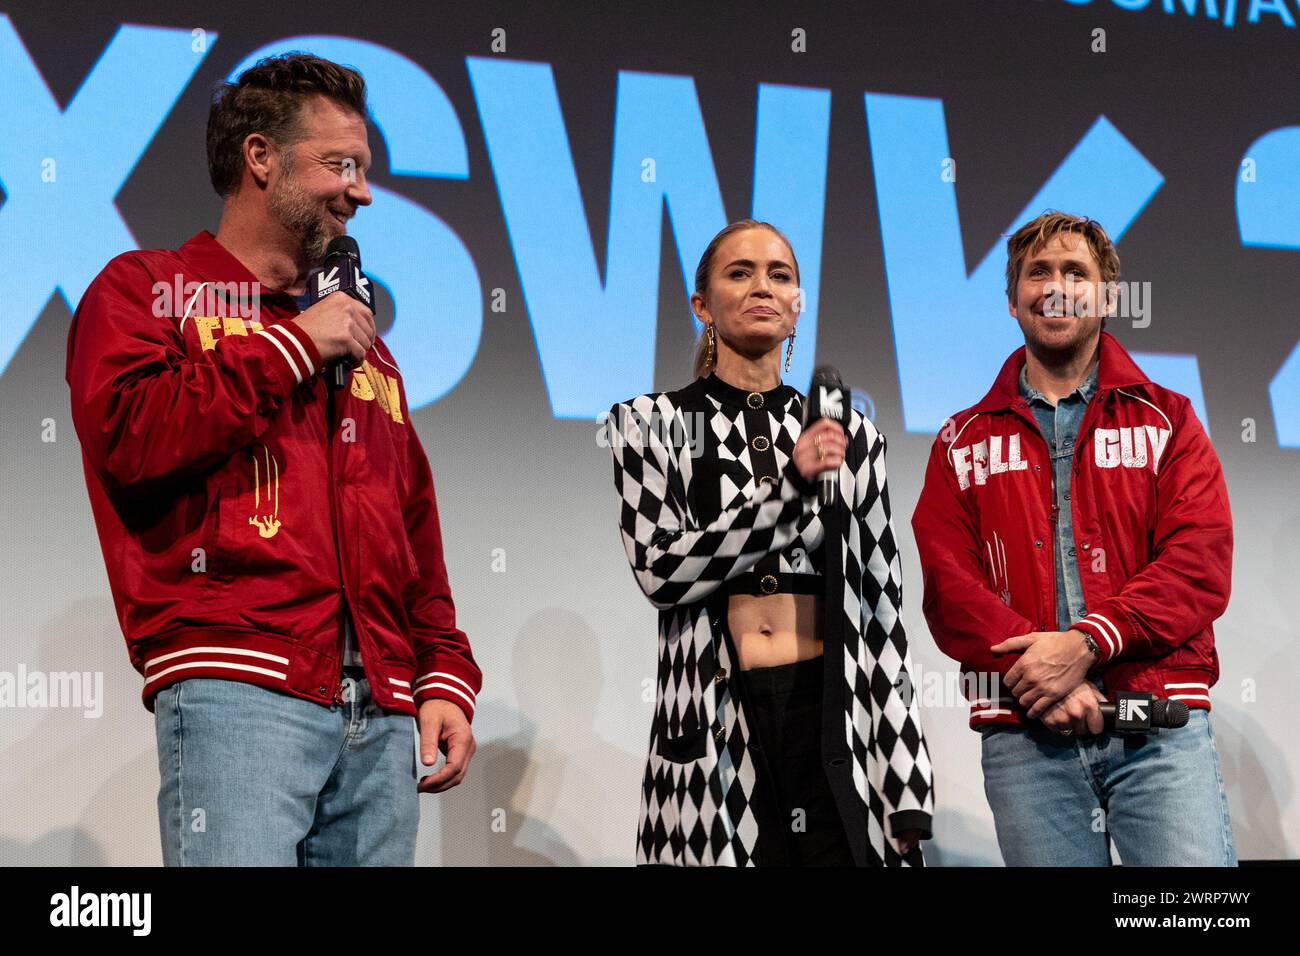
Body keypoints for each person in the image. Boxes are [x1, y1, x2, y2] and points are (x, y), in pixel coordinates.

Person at [65, 53, 480, 866]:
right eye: (341, 165)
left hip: (385, 705)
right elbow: (132, 435)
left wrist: (441, 675)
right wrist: (293, 345)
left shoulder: (367, 348)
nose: (360, 191)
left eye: (362, 170)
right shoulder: (148, 289)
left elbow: (413, 532)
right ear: (260, 158)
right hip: (240, 681)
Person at [911, 211, 1235, 866]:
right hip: (1025, 741)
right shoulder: (960, 440)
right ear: (1012, 300)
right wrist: (1038, 676)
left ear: (1109, 298)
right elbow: (950, 586)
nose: (1056, 286)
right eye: (1038, 272)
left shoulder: (1168, 419)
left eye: (1075, 272)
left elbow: (1198, 559)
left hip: (1158, 731)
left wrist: (1089, 642)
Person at [606, 219, 933, 866]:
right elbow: (662, 570)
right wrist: (790, 494)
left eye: (780, 275)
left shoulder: (853, 436)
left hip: (836, 723)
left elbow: (882, 615)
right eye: (740, 272)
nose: (763, 286)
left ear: (797, 305)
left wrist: (907, 779)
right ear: (701, 306)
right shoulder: (651, 423)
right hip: (716, 731)